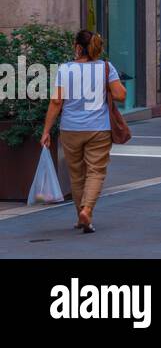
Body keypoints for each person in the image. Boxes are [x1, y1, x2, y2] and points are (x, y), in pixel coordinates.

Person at [39, 30, 127, 233]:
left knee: (77, 175)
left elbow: (56, 102)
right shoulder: (106, 67)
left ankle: (81, 216)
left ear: (77, 47)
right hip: (99, 129)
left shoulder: (65, 69)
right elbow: (120, 95)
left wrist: (46, 131)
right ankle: (87, 210)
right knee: (96, 171)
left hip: (70, 129)